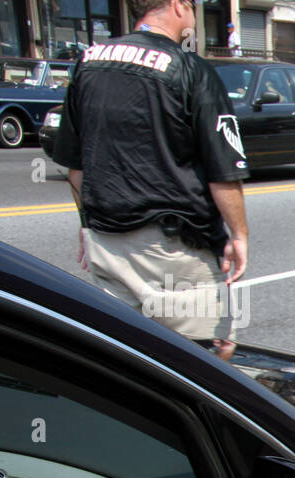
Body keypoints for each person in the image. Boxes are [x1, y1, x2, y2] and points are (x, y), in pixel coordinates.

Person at [54, 0, 249, 359]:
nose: (194, 15)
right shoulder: (191, 69)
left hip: (106, 241)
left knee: (126, 360)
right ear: (176, 5)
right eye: (193, 6)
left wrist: (86, 225)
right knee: (207, 361)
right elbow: (223, 172)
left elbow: (76, 165)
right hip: (173, 251)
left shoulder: (88, 63)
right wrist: (239, 235)